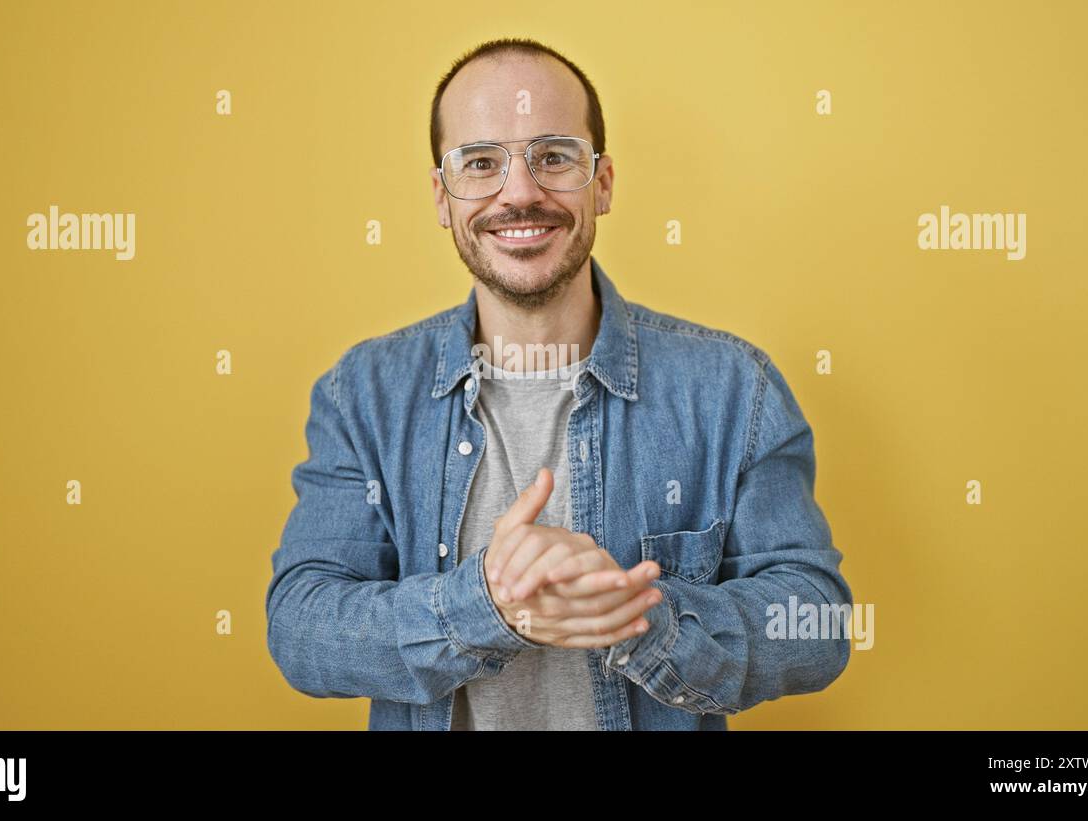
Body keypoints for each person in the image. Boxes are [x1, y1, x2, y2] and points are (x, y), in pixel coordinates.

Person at [265, 37, 853, 730]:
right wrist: (482, 603)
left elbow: (817, 622)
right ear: (442, 197)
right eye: (481, 162)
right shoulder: (361, 395)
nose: (520, 192)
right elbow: (300, 626)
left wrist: (640, 619)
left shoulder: (733, 389)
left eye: (554, 157)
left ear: (602, 183)